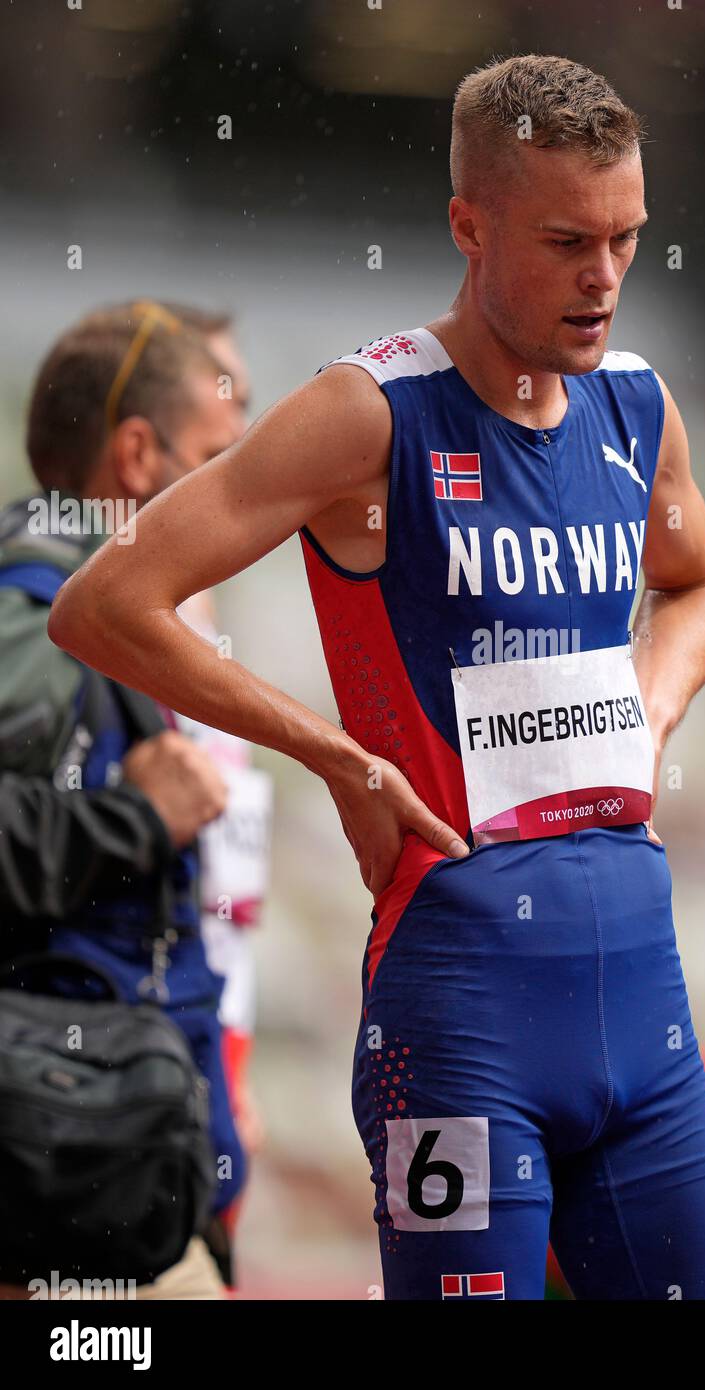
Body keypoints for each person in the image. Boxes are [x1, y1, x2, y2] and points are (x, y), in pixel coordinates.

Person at [48, 55, 705, 1300]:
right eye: (565, 242)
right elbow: (104, 603)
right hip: (464, 1016)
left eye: (627, 239)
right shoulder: (368, 414)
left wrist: (650, 709)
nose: (604, 278)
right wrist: (340, 753)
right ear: (467, 225)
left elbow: (703, 582)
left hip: (641, 1003)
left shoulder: (638, 407)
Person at [0, 300, 256, 1296]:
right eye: (215, 460)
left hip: (106, 1169)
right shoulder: (38, 610)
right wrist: (133, 822)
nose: (239, 500)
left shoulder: (123, 620)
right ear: (140, 454)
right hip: (50, 1183)